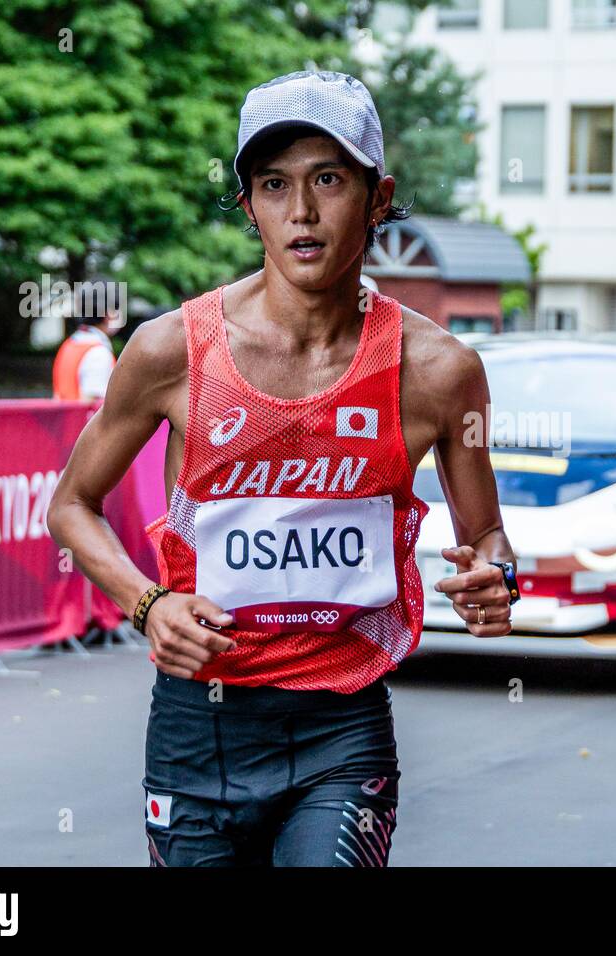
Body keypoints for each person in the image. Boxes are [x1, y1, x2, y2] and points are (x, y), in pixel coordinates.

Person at [46, 71, 520, 867]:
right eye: (274, 185)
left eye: (328, 179)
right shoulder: (172, 351)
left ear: (378, 196)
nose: (301, 212)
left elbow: (491, 539)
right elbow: (72, 505)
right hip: (200, 726)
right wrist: (148, 603)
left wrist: (495, 583)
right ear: (249, 204)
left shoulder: (439, 370)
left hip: (343, 724)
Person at [52, 307, 125, 400]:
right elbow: (93, 402)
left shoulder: (69, 344)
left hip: (66, 413)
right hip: (81, 414)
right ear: (109, 315)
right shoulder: (98, 353)